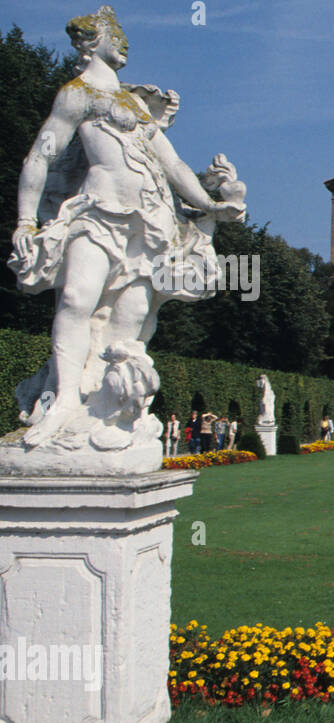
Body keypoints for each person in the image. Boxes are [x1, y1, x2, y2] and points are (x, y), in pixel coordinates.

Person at [7, 6, 244, 449]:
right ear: (91, 41)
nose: (124, 42)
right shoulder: (76, 94)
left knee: (133, 317)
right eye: (115, 35)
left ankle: (110, 410)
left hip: (149, 223)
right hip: (98, 213)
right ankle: (62, 400)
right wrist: (25, 219)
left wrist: (211, 203)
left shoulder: (134, 104)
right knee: (77, 298)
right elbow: (40, 156)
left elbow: (172, 164)